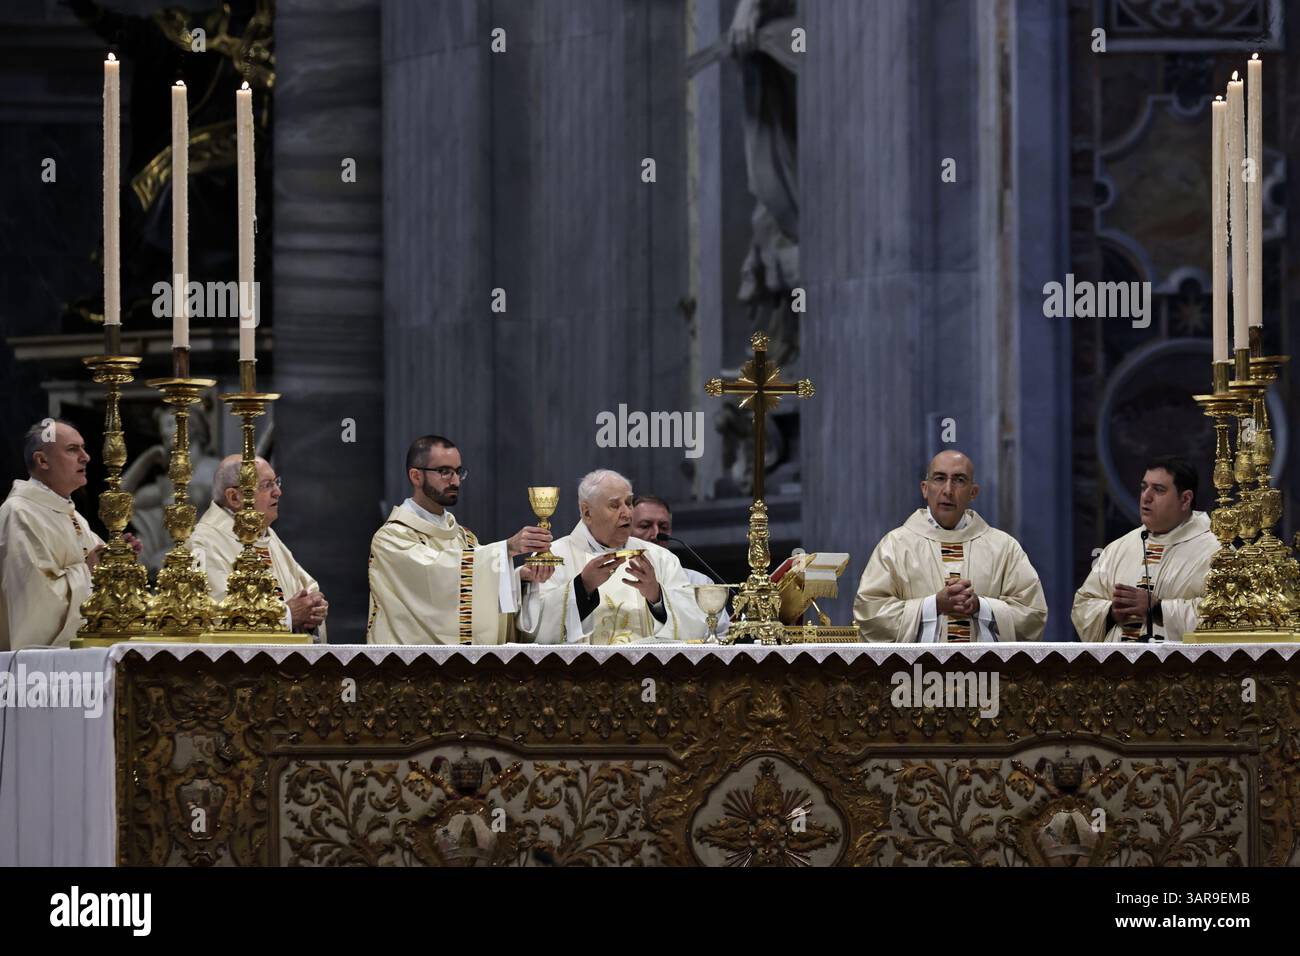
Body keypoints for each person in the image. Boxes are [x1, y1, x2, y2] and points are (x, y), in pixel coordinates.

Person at [367, 435, 552, 644]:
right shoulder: (391, 538)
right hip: (410, 669)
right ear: (416, 476)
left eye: (458, 472)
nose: (454, 481)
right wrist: (506, 548)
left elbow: (479, 586)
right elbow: (435, 578)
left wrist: (519, 578)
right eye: (444, 472)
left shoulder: (464, 538)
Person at [854, 450, 1048, 642]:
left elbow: (1032, 615)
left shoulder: (1004, 548)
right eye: (939, 478)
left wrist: (981, 607)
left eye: (959, 480)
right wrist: (934, 606)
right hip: (917, 672)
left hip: (986, 672)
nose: (948, 490)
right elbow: (870, 614)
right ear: (924, 488)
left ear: (973, 492)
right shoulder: (895, 546)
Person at [517, 470, 709, 644]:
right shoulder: (555, 556)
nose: (626, 513)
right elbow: (533, 629)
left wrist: (656, 596)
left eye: (628, 503)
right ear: (587, 512)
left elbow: (697, 626)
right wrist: (583, 587)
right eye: (615, 505)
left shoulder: (661, 559)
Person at [1072, 456, 1218, 642]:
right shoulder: (1119, 548)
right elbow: (1083, 604)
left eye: (1158, 490)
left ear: (1185, 499)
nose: (1146, 497)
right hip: (1117, 667)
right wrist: (1110, 612)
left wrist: (1158, 609)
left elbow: (1227, 615)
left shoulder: (1215, 550)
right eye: (1144, 487)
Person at [190, 454, 329, 640]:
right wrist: (286, 616)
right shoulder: (205, 542)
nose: (277, 492)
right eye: (267, 485)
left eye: (276, 482)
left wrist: (314, 607)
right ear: (234, 497)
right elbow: (217, 613)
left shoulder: (266, 535)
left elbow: (306, 586)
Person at [0, 420, 105, 649]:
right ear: (42, 460)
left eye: (83, 447)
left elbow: (99, 567)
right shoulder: (20, 513)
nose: (85, 457)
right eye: (72, 449)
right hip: (37, 672)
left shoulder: (75, 517)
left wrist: (119, 560)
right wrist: (88, 572)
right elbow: (35, 603)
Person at [630, 494, 729, 637]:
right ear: (627, 530)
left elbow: (721, 636)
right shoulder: (613, 580)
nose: (656, 534)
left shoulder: (700, 583)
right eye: (645, 526)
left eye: (663, 527)